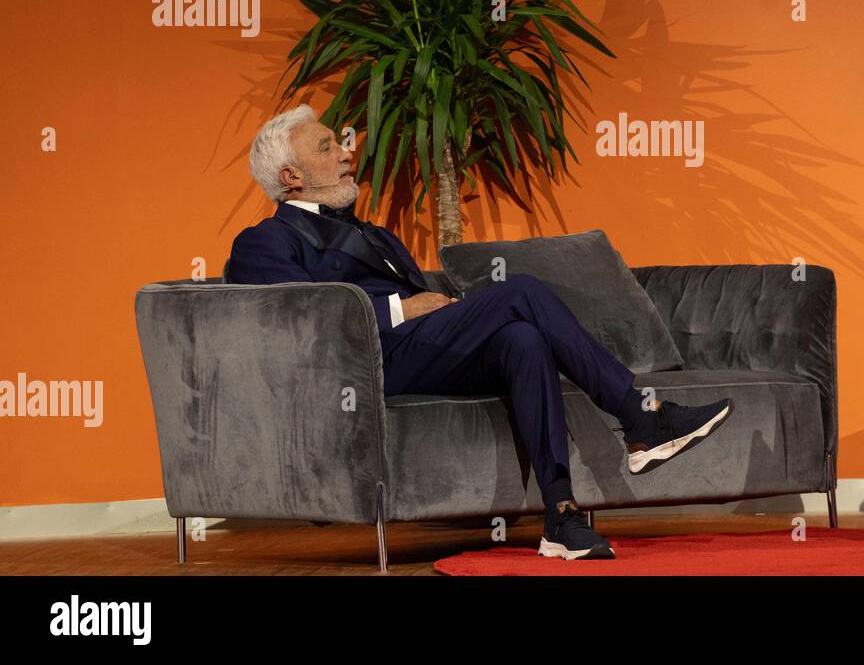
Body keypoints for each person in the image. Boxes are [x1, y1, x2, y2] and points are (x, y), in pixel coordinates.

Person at [227, 104, 733, 560]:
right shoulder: (264, 241)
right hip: (369, 364)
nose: (346, 151)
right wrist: (403, 308)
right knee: (522, 291)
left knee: (524, 340)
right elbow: (300, 325)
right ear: (290, 176)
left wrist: (430, 310)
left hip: (423, 349)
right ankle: (641, 416)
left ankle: (561, 515)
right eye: (327, 146)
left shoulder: (373, 233)